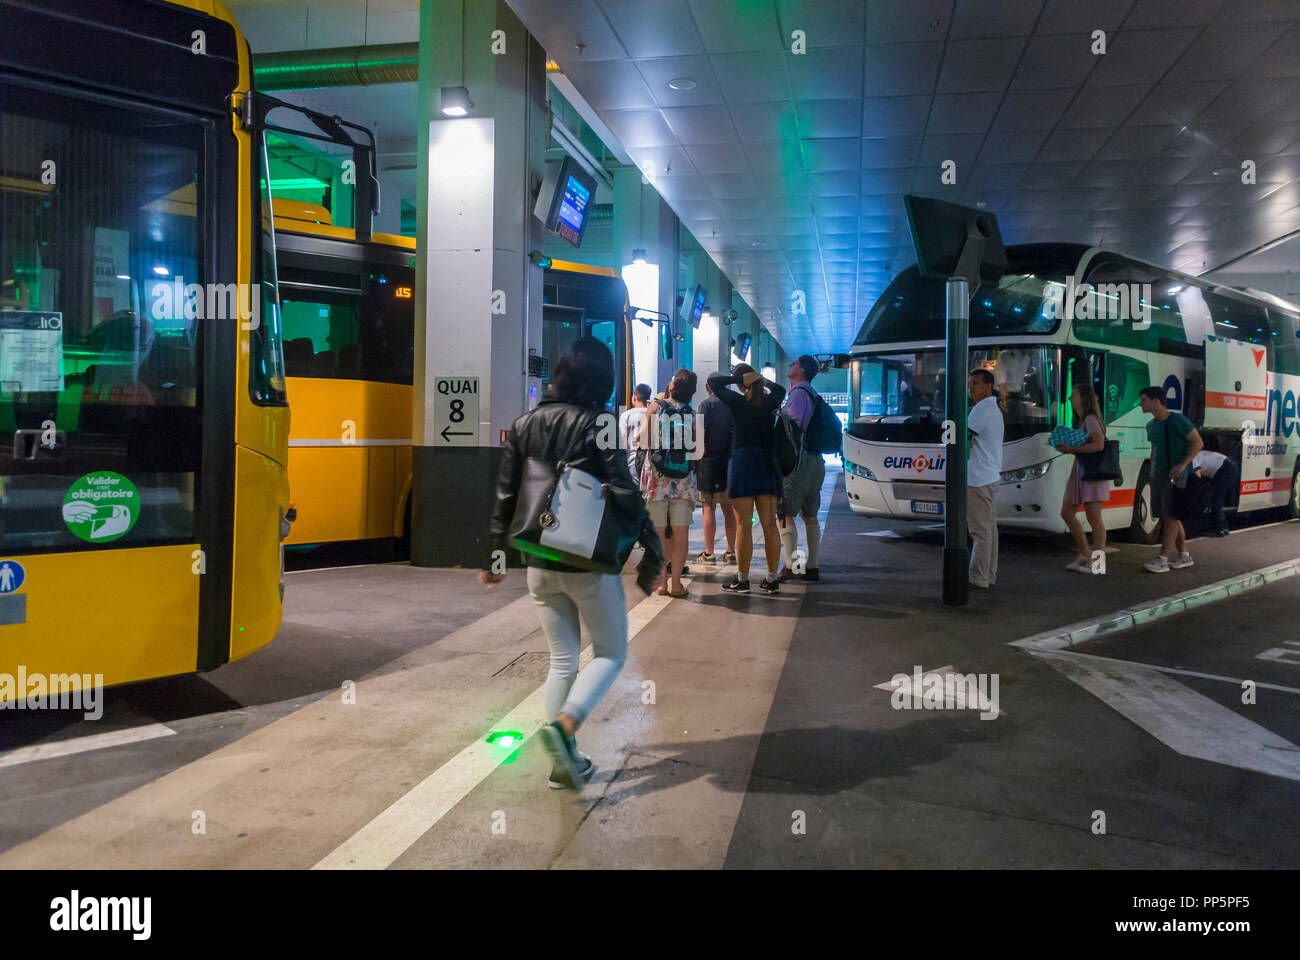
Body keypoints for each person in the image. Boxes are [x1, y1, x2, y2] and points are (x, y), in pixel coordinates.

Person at [482, 337, 665, 791]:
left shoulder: (525, 423)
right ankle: (565, 728)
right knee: (610, 652)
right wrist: (652, 550)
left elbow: (505, 494)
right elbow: (624, 489)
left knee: (562, 659)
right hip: (585, 561)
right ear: (601, 379)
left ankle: (564, 765)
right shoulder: (599, 422)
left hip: (538, 560)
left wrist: (494, 556)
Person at [706, 364, 785, 593]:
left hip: (742, 464)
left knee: (744, 524)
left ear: (742, 382)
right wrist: (760, 379)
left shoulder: (738, 402)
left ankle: (743, 579)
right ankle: (771, 579)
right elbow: (779, 390)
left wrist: (738, 379)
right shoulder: (770, 401)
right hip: (765, 464)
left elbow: (714, 383)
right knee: (770, 524)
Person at [638, 368, 698, 598]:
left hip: (656, 478)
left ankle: (662, 583)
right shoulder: (692, 415)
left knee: (660, 532)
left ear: (671, 387)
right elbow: (698, 450)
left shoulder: (657, 409)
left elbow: (641, 440)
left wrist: (649, 417)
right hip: (682, 481)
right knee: (681, 532)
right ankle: (676, 585)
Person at [1139, 386, 1203, 573]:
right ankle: (1184, 555)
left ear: (1155, 401)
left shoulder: (1178, 420)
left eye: (1144, 400)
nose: (1141, 404)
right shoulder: (1151, 425)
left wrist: (1183, 465)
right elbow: (1155, 450)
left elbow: (1198, 442)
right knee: (1170, 516)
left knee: (1170, 516)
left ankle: (1163, 558)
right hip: (1158, 475)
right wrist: (1152, 471)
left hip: (1176, 476)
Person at [777, 354, 825, 583]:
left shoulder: (798, 394)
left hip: (800, 463)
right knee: (811, 515)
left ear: (802, 370)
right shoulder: (813, 394)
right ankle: (812, 566)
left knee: (785, 513)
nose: (791, 365)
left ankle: (792, 566)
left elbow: (791, 430)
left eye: (794, 363)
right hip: (816, 461)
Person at [1054, 381, 1109, 573]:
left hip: (1089, 471)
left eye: (1074, 395)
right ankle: (1087, 555)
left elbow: (1099, 445)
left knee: (1093, 516)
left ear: (1083, 398)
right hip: (1083, 470)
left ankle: (1096, 561)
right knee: (1071, 513)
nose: (1070, 398)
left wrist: (1072, 448)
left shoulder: (1090, 419)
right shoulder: (1086, 420)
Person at [966, 368, 1004, 589]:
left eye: (975, 383)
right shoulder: (994, 409)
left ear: (988, 386)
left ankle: (978, 577)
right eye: (970, 383)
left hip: (977, 478)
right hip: (989, 475)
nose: (971, 388)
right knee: (989, 530)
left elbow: (962, 437)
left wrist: (946, 433)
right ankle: (988, 575)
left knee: (979, 531)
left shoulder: (981, 409)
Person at [696, 377, 737, 565]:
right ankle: (730, 551)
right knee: (729, 508)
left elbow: (700, 438)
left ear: (707, 387)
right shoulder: (732, 405)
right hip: (729, 462)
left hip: (709, 463)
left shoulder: (704, 406)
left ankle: (709, 553)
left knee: (708, 507)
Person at [1190, 447, 1239, 537]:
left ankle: (1219, 530)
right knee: (1217, 500)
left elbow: (1198, 477)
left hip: (1225, 469)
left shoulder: (1192, 457)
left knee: (1216, 501)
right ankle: (1223, 528)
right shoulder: (1197, 453)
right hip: (1227, 467)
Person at [619, 382, 652, 475]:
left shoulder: (626, 415)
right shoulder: (653, 415)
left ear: (634, 398)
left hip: (632, 462)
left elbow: (623, 441)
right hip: (650, 462)